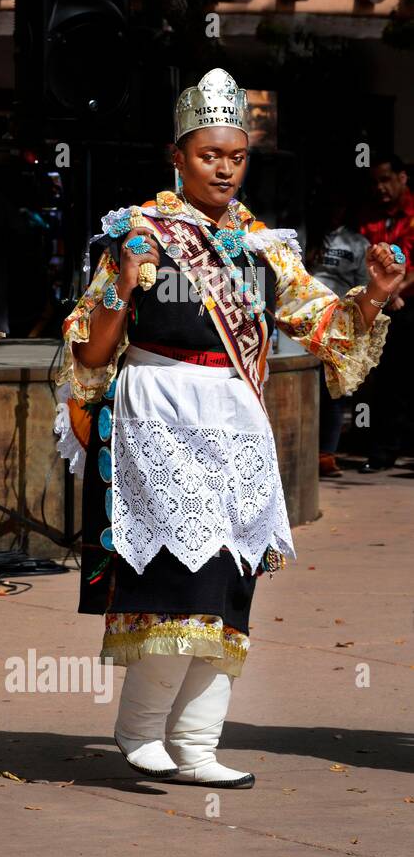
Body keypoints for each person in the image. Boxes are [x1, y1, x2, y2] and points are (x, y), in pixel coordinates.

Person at [56, 69, 401, 789]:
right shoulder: (137, 233)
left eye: (236, 156)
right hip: (157, 415)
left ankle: (199, 742)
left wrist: (372, 296)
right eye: (209, 154)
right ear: (176, 156)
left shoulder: (262, 246)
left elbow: (323, 324)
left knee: (234, 576)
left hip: (234, 419)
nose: (224, 167)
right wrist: (123, 287)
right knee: (179, 574)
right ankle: (142, 731)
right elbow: (89, 351)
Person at [306, 190, 369, 478]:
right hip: (304, 319)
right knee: (307, 383)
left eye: (339, 204)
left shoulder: (358, 243)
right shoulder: (305, 235)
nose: (335, 210)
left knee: (333, 387)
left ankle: (326, 454)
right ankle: (304, 449)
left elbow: (364, 286)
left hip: (339, 322)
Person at [358, 153, 414, 472]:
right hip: (384, 305)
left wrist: (397, 289)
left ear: (402, 178)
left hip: (408, 302)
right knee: (385, 382)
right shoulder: (369, 216)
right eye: (375, 182)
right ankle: (382, 453)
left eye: (385, 180)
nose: (380, 188)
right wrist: (386, 292)